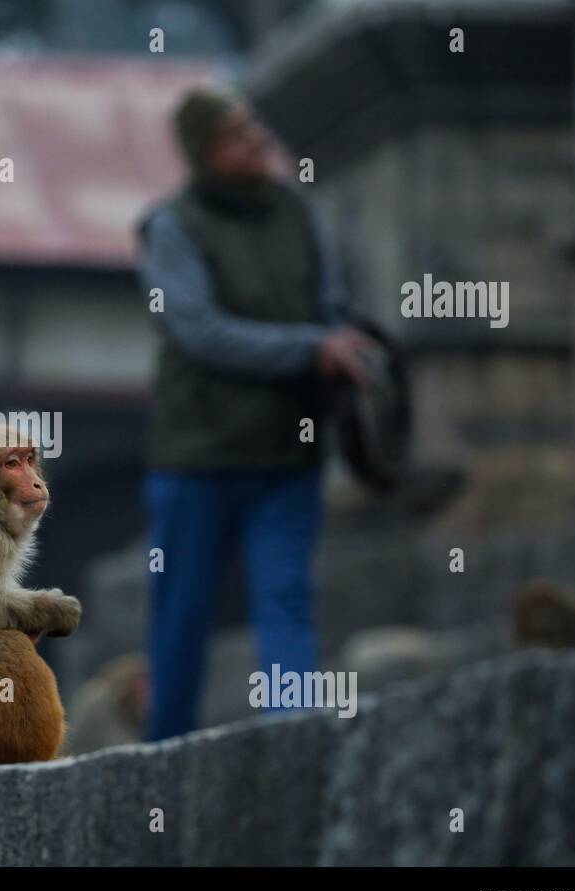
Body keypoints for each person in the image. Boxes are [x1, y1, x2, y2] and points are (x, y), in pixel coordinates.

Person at [136, 86, 374, 740]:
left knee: (288, 601)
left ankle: (292, 738)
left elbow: (328, 306)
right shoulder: (172, 229)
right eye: (238, 135)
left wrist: (342, 347)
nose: (257, 142)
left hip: (287, 453)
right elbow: (200, 332)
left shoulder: (299, 214)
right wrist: (309, 348)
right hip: (199, 457)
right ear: (206, 151)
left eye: (256, 128)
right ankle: (164, 755)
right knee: (182, 616)